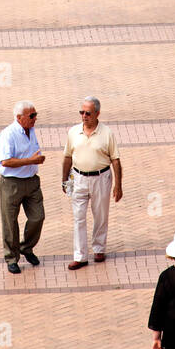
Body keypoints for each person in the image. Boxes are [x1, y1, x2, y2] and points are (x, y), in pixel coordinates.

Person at [62, 98, 122, 269]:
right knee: (78, 217)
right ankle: (80, 256)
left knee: (100, 215)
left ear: (97, 114)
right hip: (78, 178)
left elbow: (116, 161)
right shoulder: (73, 132)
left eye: (88, 113)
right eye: (82, 112)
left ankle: (99, 248)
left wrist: (118, 186)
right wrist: (64, 179)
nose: (84, 116)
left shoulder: (107, 133)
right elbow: (67, 157)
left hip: (101, 178)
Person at [0, 100, 45, 274]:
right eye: (31, 116)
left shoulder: (31, 130)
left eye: (35, 115)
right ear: (19, 117)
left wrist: (35, 160)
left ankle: (26, 247)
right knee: (10, 222)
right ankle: (12, 257)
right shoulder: (8, 135)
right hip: (12, 183)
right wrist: (31, 160)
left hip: (31, 182)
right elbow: (5, 161)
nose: (35, 119)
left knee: (38, 217)